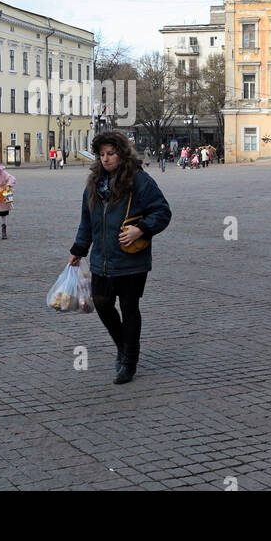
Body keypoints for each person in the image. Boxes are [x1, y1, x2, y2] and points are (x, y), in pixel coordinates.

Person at [68, 131, 172, 385]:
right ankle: (122, 345)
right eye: (102, 154)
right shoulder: (94, 184)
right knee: (101, 302)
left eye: (110, 153)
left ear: (122, 154)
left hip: (131, 259)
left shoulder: (139, 181)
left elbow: (162, 211)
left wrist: (142, 229)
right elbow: (87, 220)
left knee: (129, 308)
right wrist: (78, 249)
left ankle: (129, 362)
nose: (106, 159)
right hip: (102, 258)